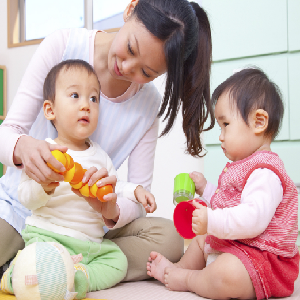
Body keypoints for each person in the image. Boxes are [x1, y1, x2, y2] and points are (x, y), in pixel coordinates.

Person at [0, 0, 214, 280]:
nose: (127, 68)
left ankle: (60, 268)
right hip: (25, 212)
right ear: (130, 9)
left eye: (147, 73)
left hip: (87, 229)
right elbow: (9, 130)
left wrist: (109, 209)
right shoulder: (63, 46)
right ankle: (58, 268)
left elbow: (137, 198)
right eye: (131, 49)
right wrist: (23, 147)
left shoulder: (148, 105)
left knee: (169, 238)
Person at [1, 59, 157, 299]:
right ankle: (14, 276)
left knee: (117, 262)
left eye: (93, 99)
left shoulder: (101, 156)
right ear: (50, 110)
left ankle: (79, 278)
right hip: (46, 236)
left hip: (89, 245)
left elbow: (113, 185)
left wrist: (135, 190)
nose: (86, 105)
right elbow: (26, 198)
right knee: (33, 259)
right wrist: (43, 187)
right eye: (75, 95)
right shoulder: (45, 152)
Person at [147, 68, 299, 300]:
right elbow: (229, 202)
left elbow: (252, 219)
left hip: (264, 260)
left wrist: (211, 220)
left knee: (228, 273)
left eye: (226, 124)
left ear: (259, 122)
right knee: (200, 237)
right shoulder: (243, 165)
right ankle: (180, 268)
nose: (220, 135)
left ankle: (189, 279)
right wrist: (206, 190)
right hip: (239, 246)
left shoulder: (266, 173)